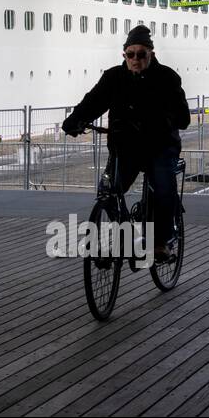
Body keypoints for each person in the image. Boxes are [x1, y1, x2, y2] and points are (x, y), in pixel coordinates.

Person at [60, 25, 190, 263]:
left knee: (163, 187)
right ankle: (122, 239)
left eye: (141, 54)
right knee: (108, 192)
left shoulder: (167, 78)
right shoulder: (114, 77)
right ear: (124, 56)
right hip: (125, 148)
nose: (136, 59)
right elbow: (93, 101)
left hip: (159, 147)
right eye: (131, 54)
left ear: (152, 54)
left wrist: (164, 116)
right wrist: (73, 122)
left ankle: (162, 241)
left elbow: (184, 119)